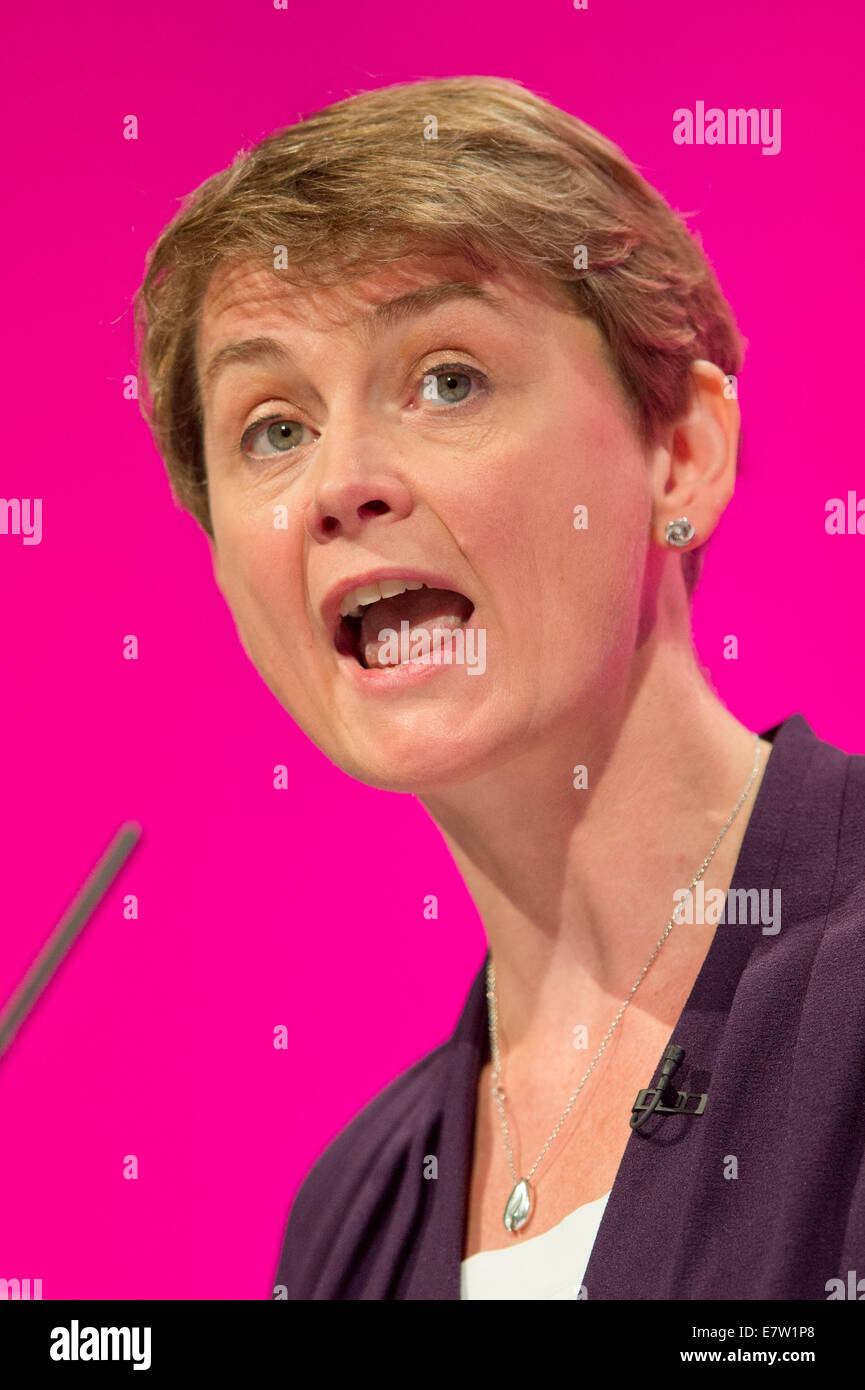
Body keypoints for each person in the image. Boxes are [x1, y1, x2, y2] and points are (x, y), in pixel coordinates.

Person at [133, 75, 865, 1300]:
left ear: (679, 454)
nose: (340, 482)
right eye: (272, 426)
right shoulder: (345, 1224)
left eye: (446, 379)